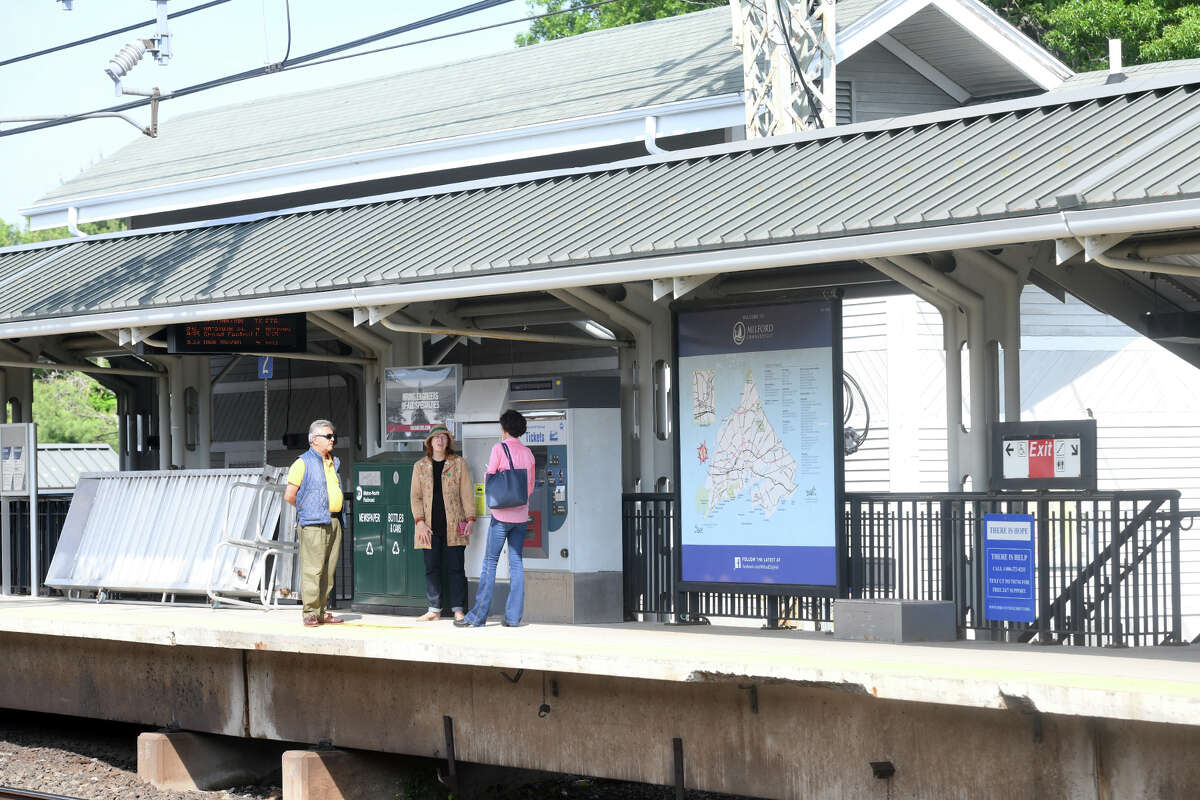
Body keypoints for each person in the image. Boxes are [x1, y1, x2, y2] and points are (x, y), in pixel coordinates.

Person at [457, 409, 536, 628]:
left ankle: (477, 617)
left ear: (504, 429)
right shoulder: (528, 453)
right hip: (521, 517)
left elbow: (489, 477)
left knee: (490, 562)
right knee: (517, 563)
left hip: (500, 517)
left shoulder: (498, 448)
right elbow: (529, 487)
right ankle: (512, 618)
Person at [409, 424, 476, 622]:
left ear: (448, 441)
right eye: (436, 437)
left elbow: (466, 492)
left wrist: (470, 517)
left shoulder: (458, 463)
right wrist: (419, 522)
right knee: (432, 568)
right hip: (428, 527)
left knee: (456, 568)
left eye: (444, 437)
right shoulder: (420, 466)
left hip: (455, 524)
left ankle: (458, 609)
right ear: (430, 442)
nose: (440, 440)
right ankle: (434, 609)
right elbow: (415, 497)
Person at [283, 419, 345, 628]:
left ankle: (321, 611)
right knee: (313, 569)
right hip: (313, 523)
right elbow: (290, 495)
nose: (332, 439)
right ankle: (310, 612)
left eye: (332, 436)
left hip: (334, 520)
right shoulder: (302, 463)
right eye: (328, 436)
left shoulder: (332, 461)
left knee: (328, 570)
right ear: (314, 440)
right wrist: (306, 509)